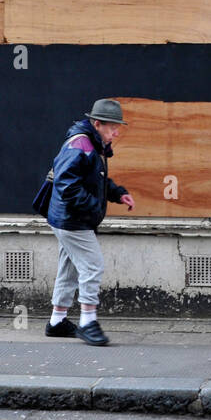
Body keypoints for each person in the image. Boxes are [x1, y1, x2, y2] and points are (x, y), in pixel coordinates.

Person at [44, 98, 135, 345]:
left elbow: (95, 180)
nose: (116, 132)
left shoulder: (92, 144)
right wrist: (94, 208)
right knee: (92, 265)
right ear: (97, 124)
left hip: (68, 218)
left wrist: (116, 193)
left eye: (118, 127)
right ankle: (87, 322)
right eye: (112, 126)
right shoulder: (80, 145)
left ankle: (57, 321)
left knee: (69, 267)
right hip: (72, 220)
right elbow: (67, 185)